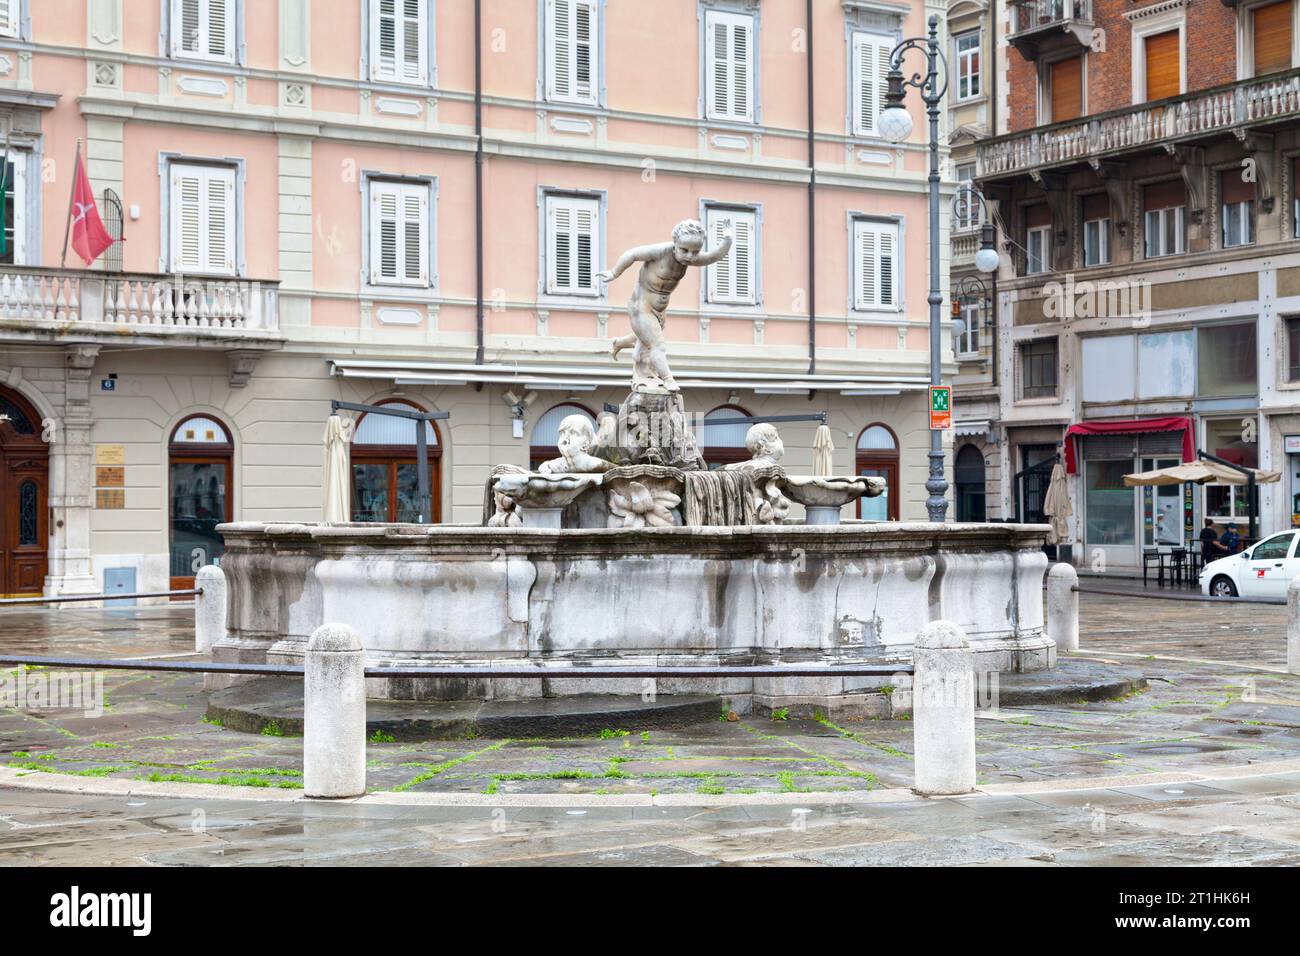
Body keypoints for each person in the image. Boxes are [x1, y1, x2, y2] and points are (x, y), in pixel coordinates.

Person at [601, 218, 734, 392]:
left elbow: (713, 256)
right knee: (657, 345)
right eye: (684, 250)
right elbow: (632, 254)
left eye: (695, 252)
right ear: (675, 243)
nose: (689, 256)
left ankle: (619, 343)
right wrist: (614, 272)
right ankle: (668, 379)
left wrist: (728, 238)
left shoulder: (689, 258)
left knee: (647, 336)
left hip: (660, 309)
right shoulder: (661, 251)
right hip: (641, 305)